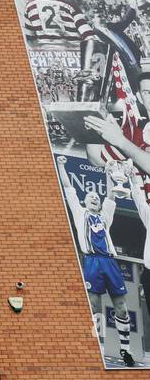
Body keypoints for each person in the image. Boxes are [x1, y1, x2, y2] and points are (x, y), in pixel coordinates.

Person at [57, 154, 137, 367]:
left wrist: (110, 173)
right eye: (90, 196)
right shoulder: (79, 212)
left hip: (109, 262)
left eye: (96, 197)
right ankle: (96, 348)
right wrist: (60, 165)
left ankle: (125, 350)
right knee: (93, 305)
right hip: (92, 261)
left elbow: (111, 195)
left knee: (120, 306)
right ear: (84, 200)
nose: (94, 198)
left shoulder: (105, 217)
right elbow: (68, 188)